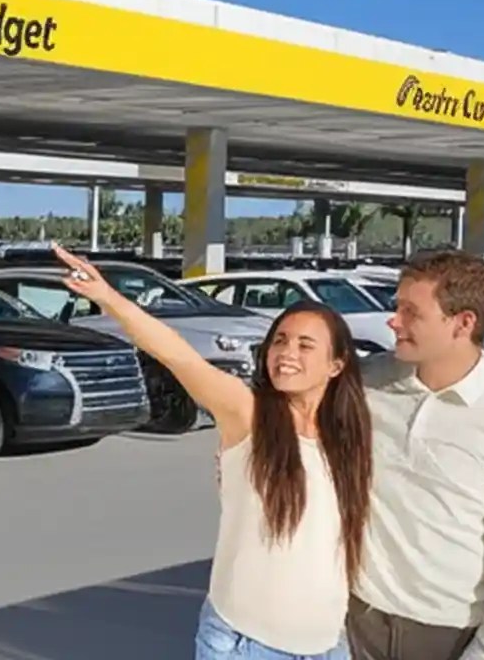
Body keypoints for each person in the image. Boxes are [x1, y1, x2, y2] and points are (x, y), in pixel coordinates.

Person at [53, 245, 371, 660]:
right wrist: (107, 296)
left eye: (305, 345)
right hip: (244, 645)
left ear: (336, 365)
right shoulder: (247, 412)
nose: (287, 353)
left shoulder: (350, 438)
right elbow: (176, 354)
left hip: (328, 646)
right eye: (280, 340)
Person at [350, 251, 484, 660]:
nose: (393, 321)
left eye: (411, 312)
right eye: (397, 307)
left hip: (447, 636)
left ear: (463, 323)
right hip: (355, 622)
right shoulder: (365, 383)